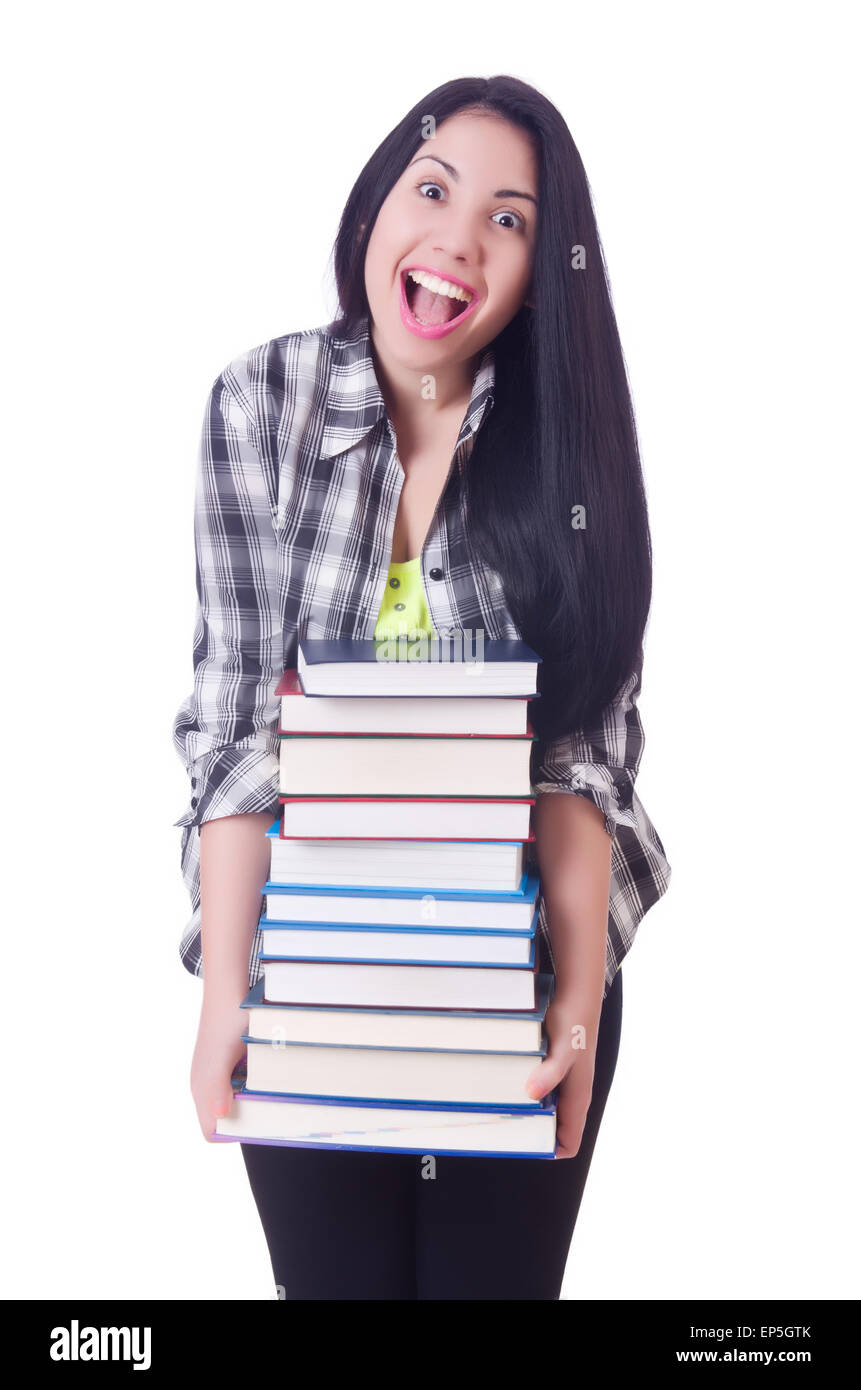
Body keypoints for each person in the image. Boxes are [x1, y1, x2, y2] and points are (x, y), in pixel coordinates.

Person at [172, 75, 671, 1300]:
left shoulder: (569, 450)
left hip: (520, 986)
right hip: (311, 974)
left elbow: (580, 761)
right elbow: (236, 728)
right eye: (433, 189)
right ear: (378, 206)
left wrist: (575, 1012)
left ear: (541, 269)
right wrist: (228, 993)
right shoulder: (261, 404)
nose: (456, 239)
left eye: (508, 218)